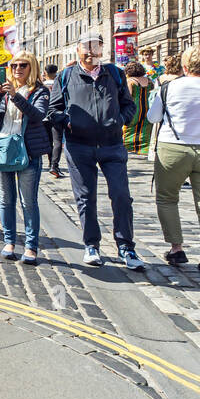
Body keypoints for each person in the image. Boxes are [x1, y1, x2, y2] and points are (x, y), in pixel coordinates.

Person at [48, 32, 144, 269]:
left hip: (112, 145)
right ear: (78, 50)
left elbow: (129, 105)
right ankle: (91, 244)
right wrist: (68, 121)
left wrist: (119, 120)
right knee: (86, 198)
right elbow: (53, 110)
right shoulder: (66, 75)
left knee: (121, 195)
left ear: (103, 50)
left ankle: (126, 247)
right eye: (86, 47)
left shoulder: (114, 73)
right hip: (79, 146)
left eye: (96, 47)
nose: (91, 52)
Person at [147, 44, 200, 279]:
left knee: (167, 198)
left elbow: (153, 117)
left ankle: (177, 248)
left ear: (185, 66)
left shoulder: (170, 87)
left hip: (174, 149)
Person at [0, 52, 51, 265]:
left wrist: (15, 96)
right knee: (6, 200)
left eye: (23, 65)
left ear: (32, 68)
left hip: (27, 151)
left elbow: (38, 115)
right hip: (2, 147)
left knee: (28, 202)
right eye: (14, 66)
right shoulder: (2, 90)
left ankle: (31, 246)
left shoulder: (40, 91)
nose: (17, 69)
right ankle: (9, 241)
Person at [122, 61, 154, 155]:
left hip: (135, 109)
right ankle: (143, 148)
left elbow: (128, 97)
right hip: (147, 108)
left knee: (129, 129)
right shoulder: (149, 80)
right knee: (145, 128)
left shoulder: (130, 81)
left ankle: (129, 147)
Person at [42, 63, 65, 178]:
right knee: (57, 141)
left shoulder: (42, 85)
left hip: (44, 116)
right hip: (56, 115)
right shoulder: (60, 83)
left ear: (45, 72)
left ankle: (50, 163)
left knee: (48, 141)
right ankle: (54, 164)